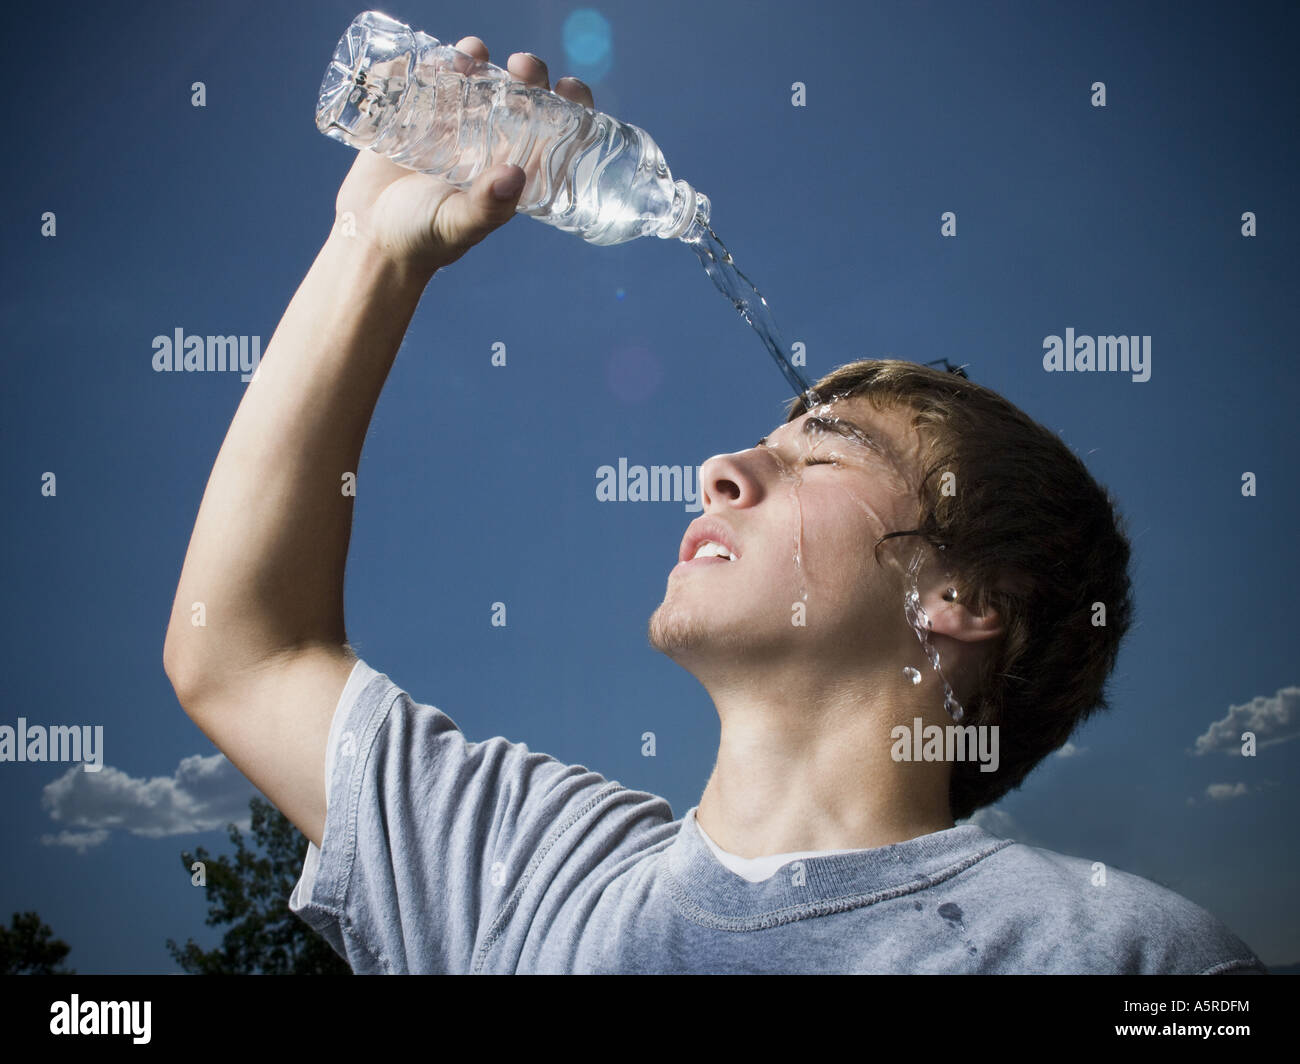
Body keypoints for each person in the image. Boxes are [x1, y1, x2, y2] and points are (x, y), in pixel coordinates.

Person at [163, 37, 1264, 974]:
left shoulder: (1126, 952)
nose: (720, 468)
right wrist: (370, 250)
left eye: (826, 445)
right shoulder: (530, 867)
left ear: (964, 598)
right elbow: (241, 655)